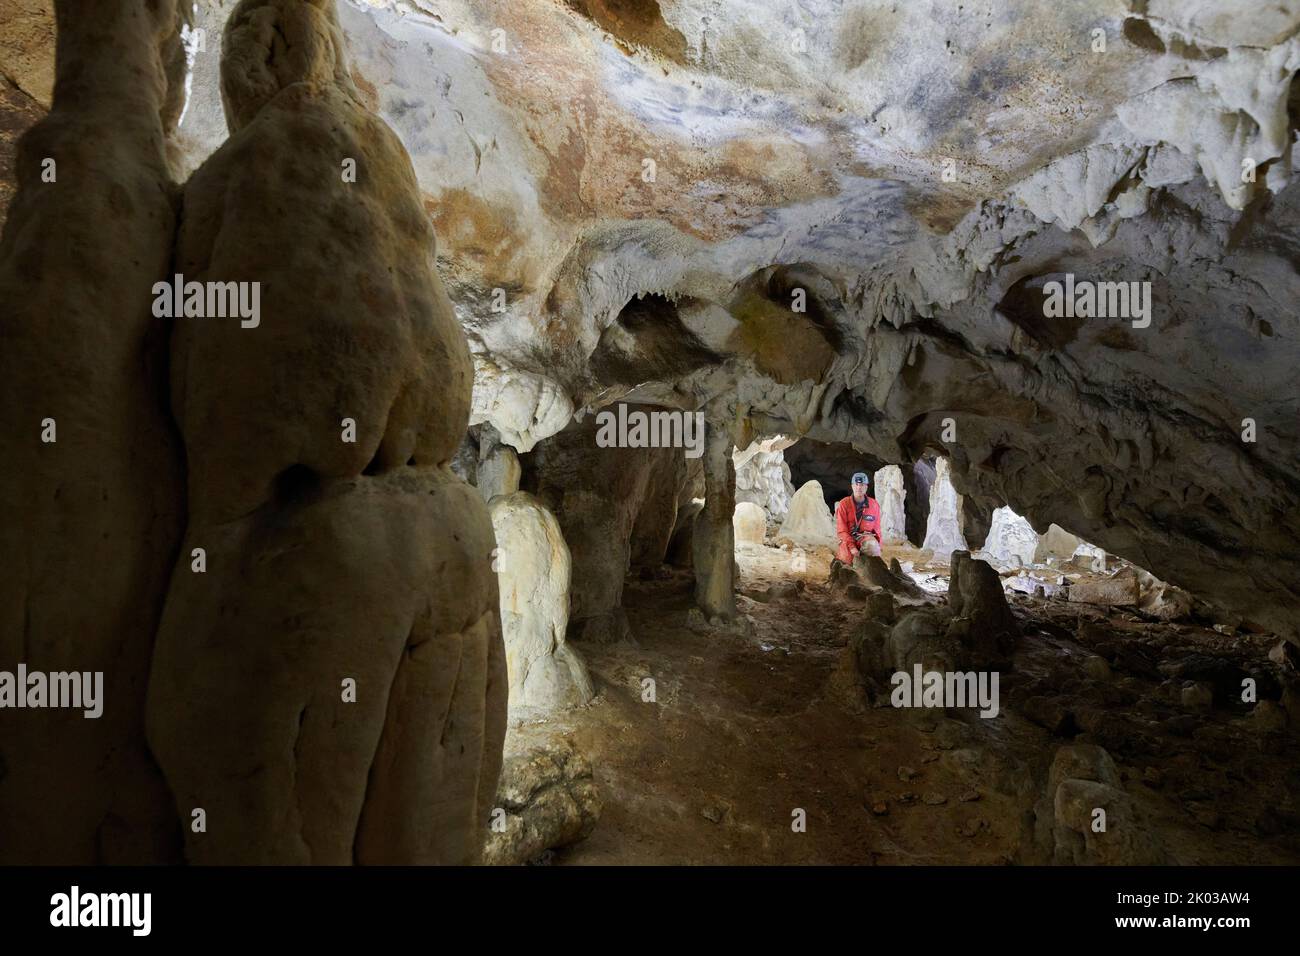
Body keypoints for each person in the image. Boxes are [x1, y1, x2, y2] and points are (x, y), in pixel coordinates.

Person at [835, 472, 881, 564]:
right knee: (846, 561)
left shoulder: (874, 505)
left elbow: (877, 530)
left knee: (872, 546)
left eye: (862, 485)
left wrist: (878, 548)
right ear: (852, 486)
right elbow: (842, 530)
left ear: (866, 487)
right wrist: (852, 547)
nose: (859, 487)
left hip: (865, 537)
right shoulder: (844, 504)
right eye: (856, 484)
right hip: (848, 538)